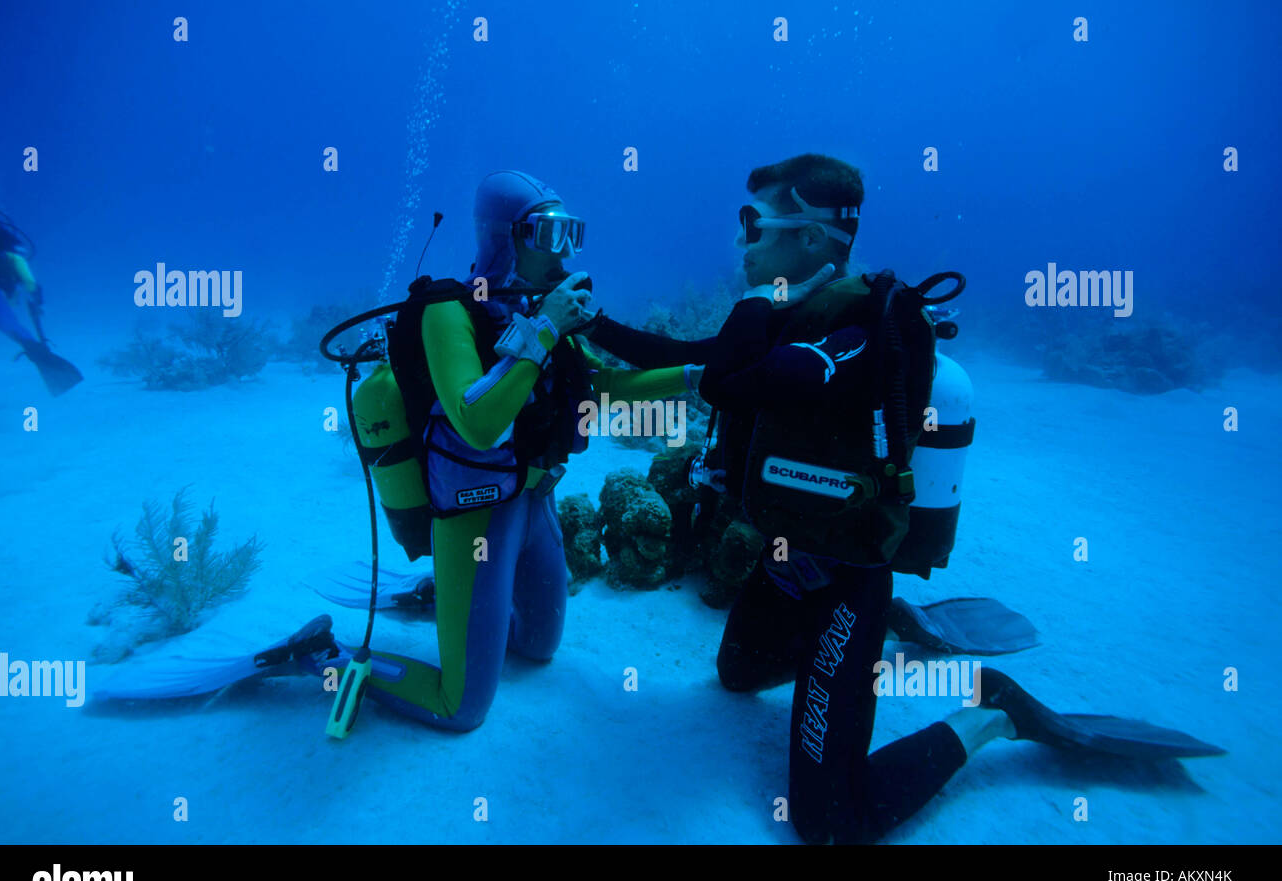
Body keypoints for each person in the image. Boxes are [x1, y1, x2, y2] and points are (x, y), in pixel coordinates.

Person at [581, 153, 1222, 843]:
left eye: (754, 224)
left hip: (848, 575)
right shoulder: (790, 311)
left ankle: (994, 713)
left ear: (810, 235)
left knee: (829, 823)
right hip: (790, 557)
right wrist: (586, 321)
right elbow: (689, 355)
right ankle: (885, 635)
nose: (742, 242)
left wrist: (754, 299)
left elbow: (730, 383)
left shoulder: (864, 330)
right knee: (738, 674)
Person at [355, 170, 691, 731]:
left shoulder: (538, 312)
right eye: (549, 234)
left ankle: (449, 601)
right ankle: (329, 658)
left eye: (571, 234)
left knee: (537, 646)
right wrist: (546, 328)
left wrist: (692, 377)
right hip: (478, 513)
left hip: (537, 502)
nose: (564, 253)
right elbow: (478, 423)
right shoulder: (449, 311)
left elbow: (599, 386)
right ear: (504, 237)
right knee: (460, 707)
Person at [0, 212, 82, 395]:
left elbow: (16, 261)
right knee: (12, 328)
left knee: (11, 327)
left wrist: (32, 292)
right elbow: (19, 263)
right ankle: (50, 365)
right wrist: (33, 292)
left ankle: (53, 369)